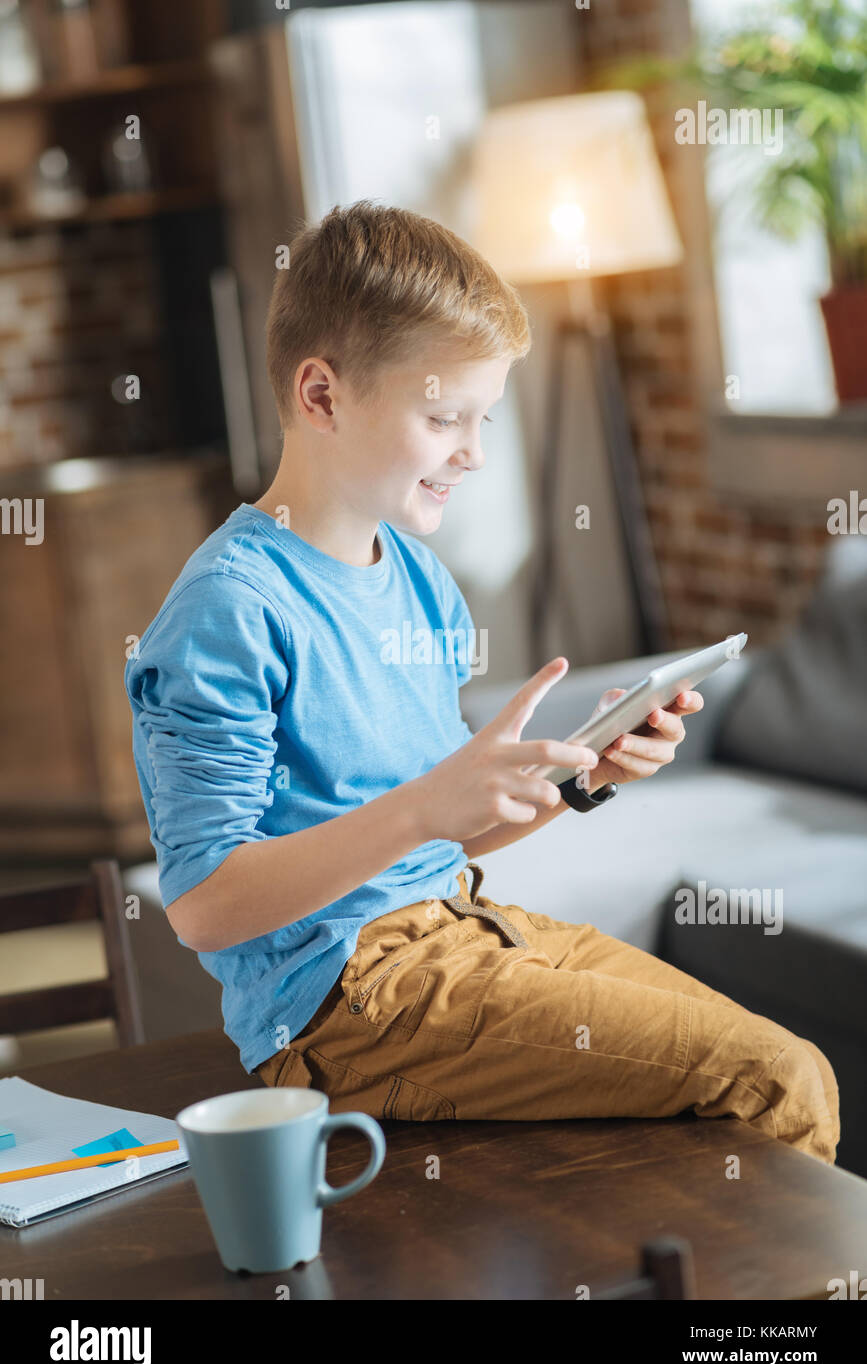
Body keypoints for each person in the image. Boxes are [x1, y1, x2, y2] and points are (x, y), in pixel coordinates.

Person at [125, 200, 838, 1164]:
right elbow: (203, 902)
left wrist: (586, 776)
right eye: (442, 416)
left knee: (792, 1070)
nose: (473, 451)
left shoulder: (421, 583)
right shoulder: (231, 609)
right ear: (322, 396)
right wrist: (426, 807)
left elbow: (447, 827)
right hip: (340, 1008)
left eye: (483, 417)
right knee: (769, 1079)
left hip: (465, 928)